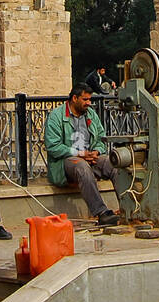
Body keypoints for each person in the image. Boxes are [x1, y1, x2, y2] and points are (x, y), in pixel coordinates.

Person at [44, 85, 121, 226]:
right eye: (85, 99)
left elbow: (101, 138)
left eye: (90, 99)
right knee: (82, 166)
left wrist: (97, 151)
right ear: (74, 98)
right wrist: (79, 154)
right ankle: (101, 213)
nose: (89, 103)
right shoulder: (56, 116)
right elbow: (53, 146)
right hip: (66, 161)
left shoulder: (90, 114)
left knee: (114, 164)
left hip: (89, 156)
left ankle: (129, 209)